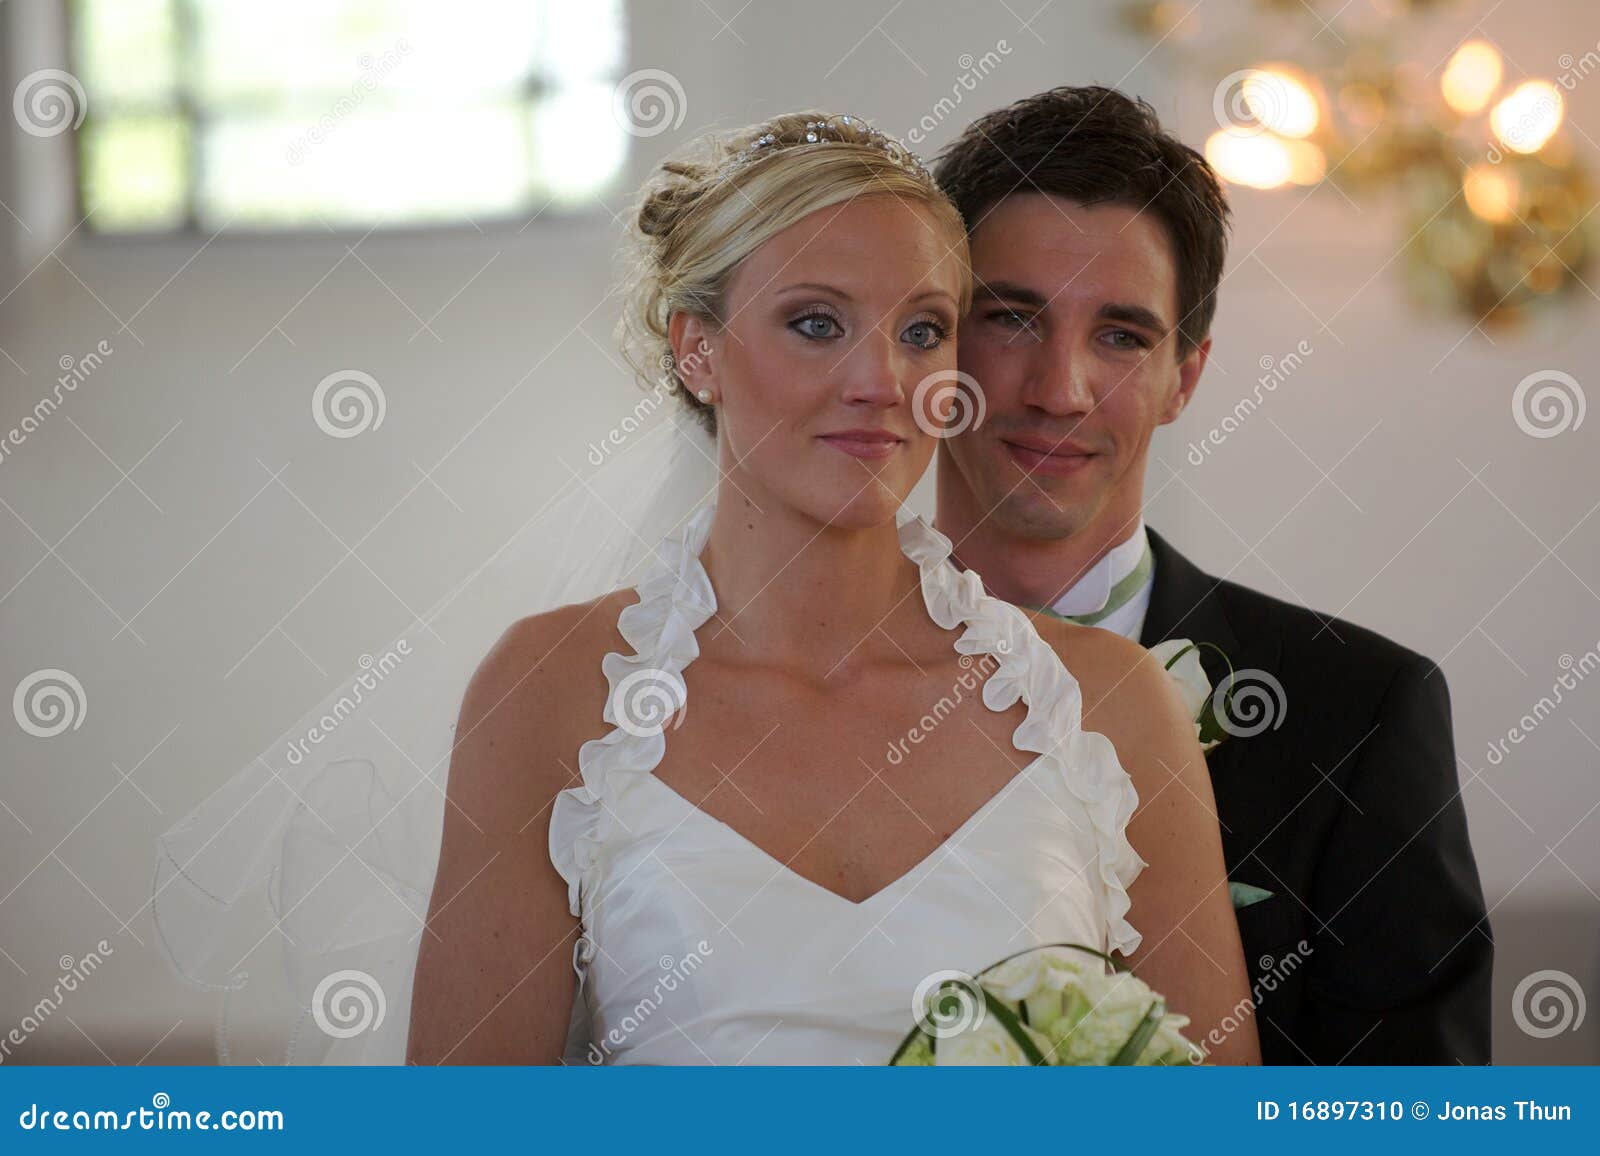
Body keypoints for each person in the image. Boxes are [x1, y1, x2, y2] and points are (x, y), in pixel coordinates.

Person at [403, 112, 1259, 1065]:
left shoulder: (1110, 707)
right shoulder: (554, 694)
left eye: (924, 330)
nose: (881, 380)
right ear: (699, 350)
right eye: (817, 324)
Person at [930, 86, 1493, 1064]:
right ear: (931, 340)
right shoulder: (777, 684)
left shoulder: (1359, 713)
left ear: (1184, 376)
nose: (1058, 389)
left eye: (1121, 336)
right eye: (1010, 318)